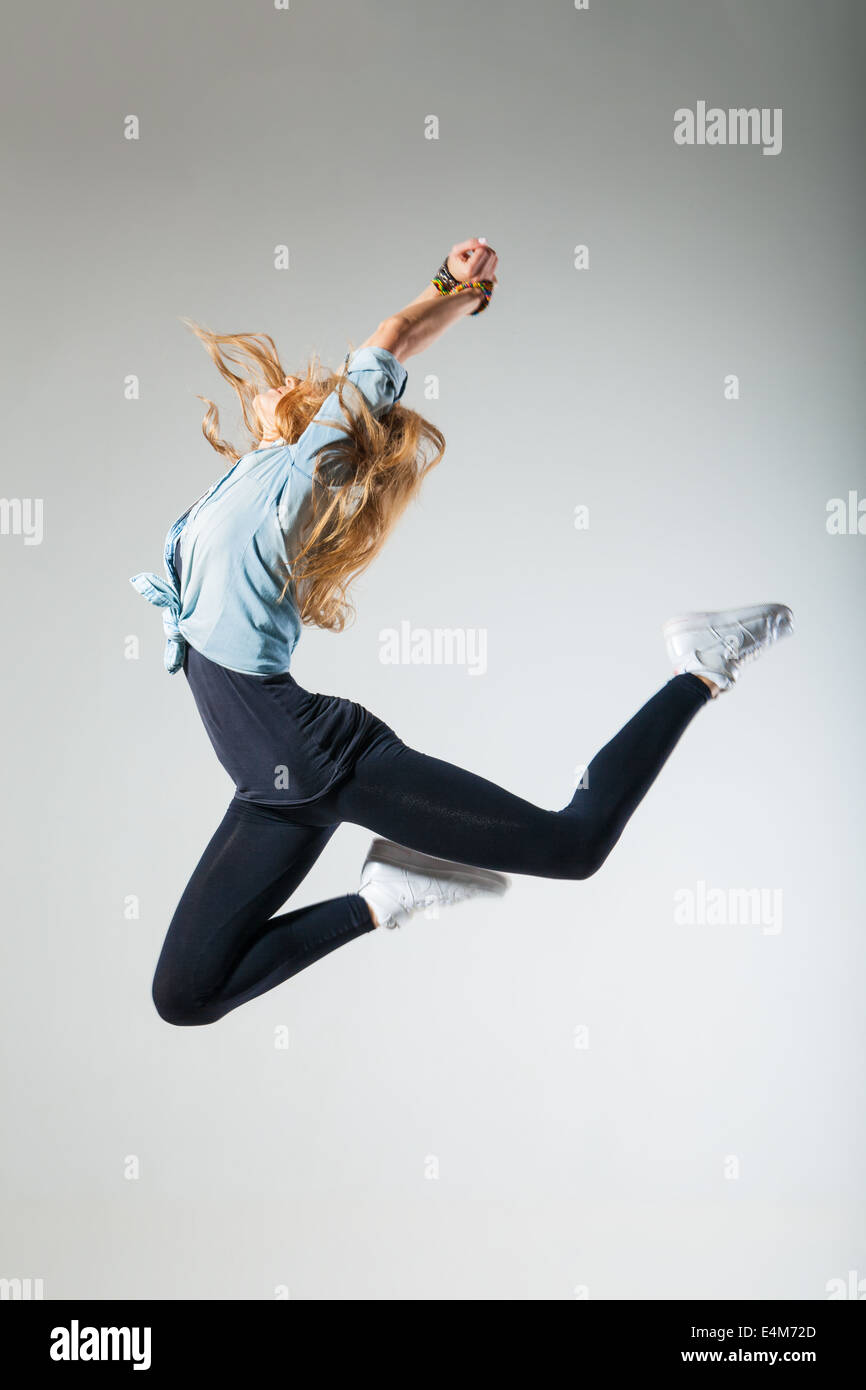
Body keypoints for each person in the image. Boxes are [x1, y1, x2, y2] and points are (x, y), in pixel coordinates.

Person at [130, 236, 793, 1027]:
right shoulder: (247, 475)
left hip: (320, 761)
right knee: (184, 995)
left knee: (573, 846)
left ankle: (700, 669)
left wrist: (453, 287)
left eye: (314, 385)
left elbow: (393, 338)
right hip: (272, 790)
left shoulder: (307, 472)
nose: (293, 384)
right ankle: (383, 899)